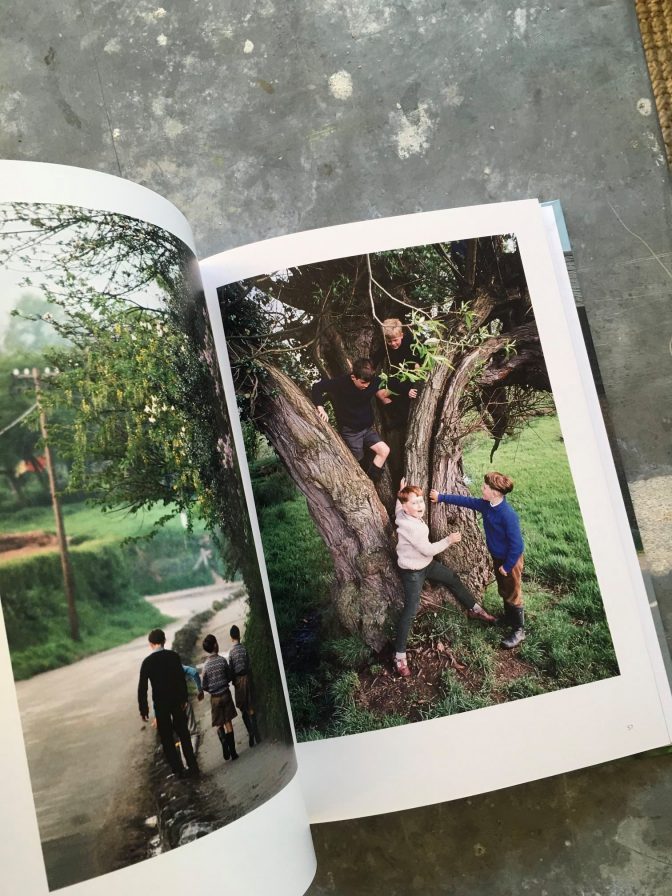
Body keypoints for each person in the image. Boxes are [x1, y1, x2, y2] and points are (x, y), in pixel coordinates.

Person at [394, 480, 496, 677]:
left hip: (427, 564)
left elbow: (398, 506)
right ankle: (399, 655)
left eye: (420, 501)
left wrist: (401, 493)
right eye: (414, 503)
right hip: (413, 571)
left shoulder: (402, 513)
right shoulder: (413, 527)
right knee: (411, 609)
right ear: (406, 507)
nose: (420, 506)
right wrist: (449, 540)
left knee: (452, 578)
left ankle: (474, 609)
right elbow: (428, 549)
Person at [430, 472, 526, 648]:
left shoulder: (508, 515)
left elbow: (517, 546)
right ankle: (509, 618)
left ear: (495, 493)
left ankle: (519, 630)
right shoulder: (486, 505)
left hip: (511, 560)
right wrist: (441, 497)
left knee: (513, 592)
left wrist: (507, 566)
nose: (482, 489)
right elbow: (466, 501)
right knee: (504, 589)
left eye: (485, 487)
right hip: (498, 557)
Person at [311, 357, 391, 482]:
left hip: (367, 429)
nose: (366, 386)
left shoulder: (373, 381)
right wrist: (320, 408)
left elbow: (393, 384)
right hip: (351, 432)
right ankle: (363, 481)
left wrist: (408, 390)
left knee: (384, 450)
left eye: (368, 383)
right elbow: (317, 387)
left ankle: (372, 480)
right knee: (358, 462)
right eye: (363, 383)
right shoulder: (342, 383)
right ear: (353, 377)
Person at [137, 628, 200, 779]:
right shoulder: (173, 656)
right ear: (164, 641)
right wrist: (184, 699)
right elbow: (181, 679)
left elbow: (142, 688)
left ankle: (178, 770)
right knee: (184, 734)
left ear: (151, 644)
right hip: (176, 701)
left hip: (161, 705)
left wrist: (144, 710)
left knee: (167, 739)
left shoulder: (147, 663)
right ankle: (192, 766)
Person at [371, 318, 421, 428]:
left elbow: (420, 359)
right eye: (389, 341)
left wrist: (417, 365)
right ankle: (395, 418)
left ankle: (402, 419)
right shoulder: (385, 346)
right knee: (380, 393)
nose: (393, 344)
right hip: (396, 379)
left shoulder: (410, 341)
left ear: (401, 335)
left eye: (395, 340)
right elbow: (374, 360)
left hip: (410, 377)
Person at [201, 633, 239, 761]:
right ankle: (233, 752)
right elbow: (229, 676)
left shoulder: (206, 666)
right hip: (226, 694)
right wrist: (224, 682)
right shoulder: (222, 660)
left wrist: (211, 689)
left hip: (215, 698)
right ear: (215, 645)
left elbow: (204, 685)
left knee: (219, 723)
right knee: (228, 722)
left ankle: (223, 742)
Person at [229, 625, 261, 747]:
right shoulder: (244, 648)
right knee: (251, 706)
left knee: (243, 708)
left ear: (231, 637)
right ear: (239, 635)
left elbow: (231, 670)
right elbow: (249, 664)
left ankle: (250, 732)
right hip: (247, 678)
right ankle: (257, 734)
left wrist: (234, 682)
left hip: (238, 681)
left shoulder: (231, 652)